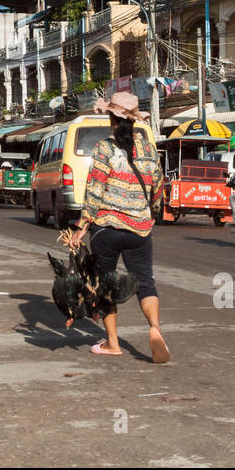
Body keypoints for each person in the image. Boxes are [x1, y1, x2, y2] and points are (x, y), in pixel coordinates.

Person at [64, 92, 168, 362]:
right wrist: (153, 214)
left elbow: (95, 190)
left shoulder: (104, 148)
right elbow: (157, 187)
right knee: (145, 282)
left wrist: (82, 227)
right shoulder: (147, 148)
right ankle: (155, 329)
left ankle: (112, 343)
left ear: (111, 118)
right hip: (140, 230)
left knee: (105, 285)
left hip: (107, 230)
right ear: (134, 120)